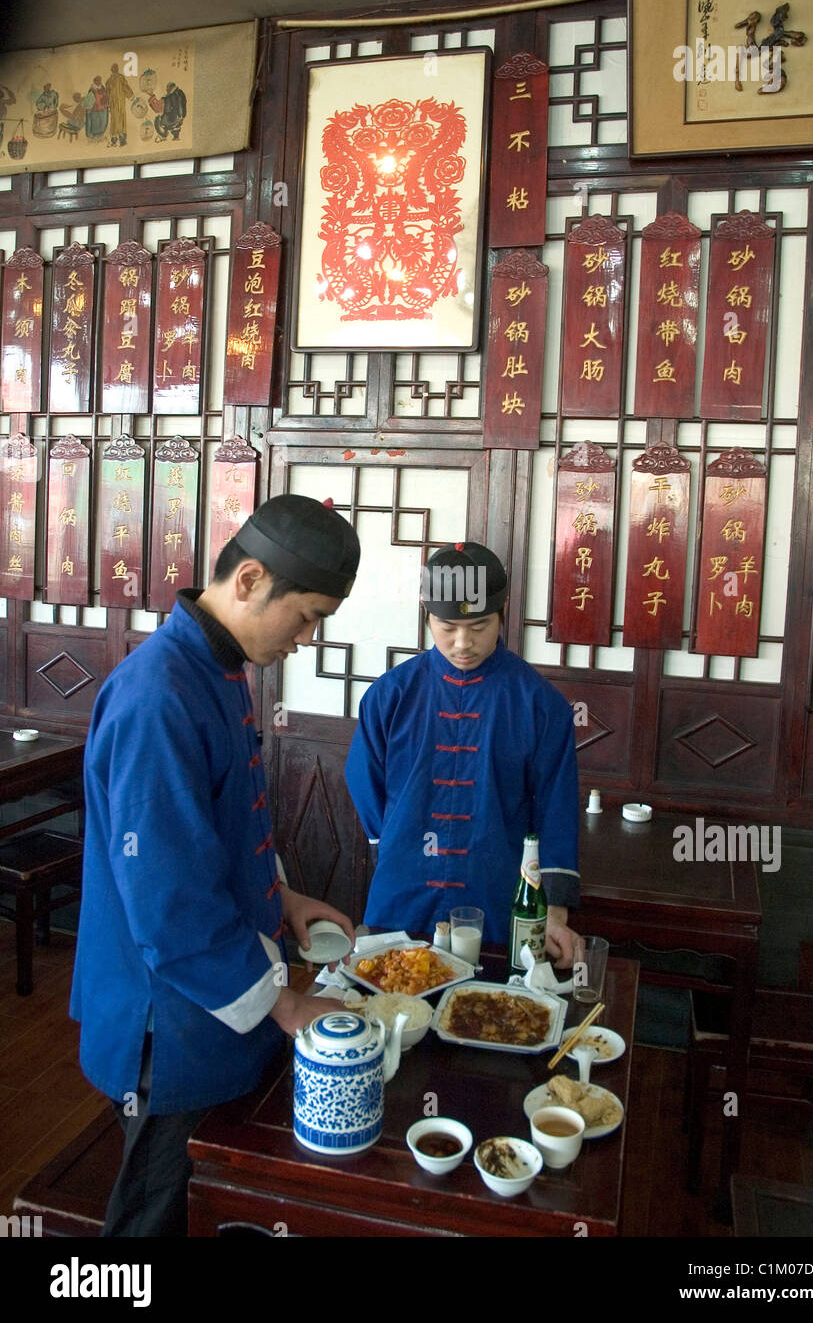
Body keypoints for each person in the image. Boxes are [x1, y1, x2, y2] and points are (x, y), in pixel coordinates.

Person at [71, 494, 360, 1236]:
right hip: (167, 1018)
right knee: (152, 1221)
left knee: (209, 1204)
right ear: (251, 579)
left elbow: (215, 836)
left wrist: (286, 897)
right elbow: (171, 905)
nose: (309, 636)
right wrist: (291, 1007)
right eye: (306, 615)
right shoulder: (157, 697)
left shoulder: (218, 667)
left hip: (218, 1001)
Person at [345, 542, 581, 965]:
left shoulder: (540, 704)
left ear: (502, 611)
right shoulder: (390, 695)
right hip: (405, 883)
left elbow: (556, 810)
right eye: (446, 626)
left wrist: (555, 912)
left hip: (496, 887)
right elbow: (366, 781)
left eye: (479, 626)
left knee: (486, 1010)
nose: (462, 643)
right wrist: (401, 840)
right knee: (391, 997)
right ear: (426, 613)